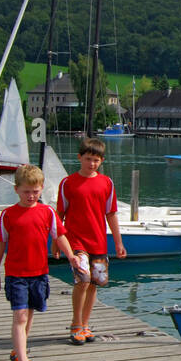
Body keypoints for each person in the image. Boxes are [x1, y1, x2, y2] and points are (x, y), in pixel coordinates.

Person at [0, 164, 78, 361]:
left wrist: (71, 256)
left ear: (41, 189)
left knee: (29, 313)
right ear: (17, 190)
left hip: (38, 273)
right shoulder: (8, 215)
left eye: (35, 191)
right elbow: (0, 244)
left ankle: (18, 350)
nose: (31, 196)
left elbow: (60, 236)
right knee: (20, 315)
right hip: (16, 274)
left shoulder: (47, 212)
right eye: (26, 192)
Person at [57, 137, 125, 345]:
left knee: (94, 283)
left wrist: (119, 243)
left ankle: (85, 325)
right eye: (88, 159)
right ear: (80, 158)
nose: (91, 163)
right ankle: (76, 324)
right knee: (83, 280)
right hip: (76, 241)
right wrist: (55, 243)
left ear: (101, 161)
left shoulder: (106, 183)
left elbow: (111, 213)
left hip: (99, 242)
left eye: (96, 160)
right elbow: (59, 215)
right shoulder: (68, 183)